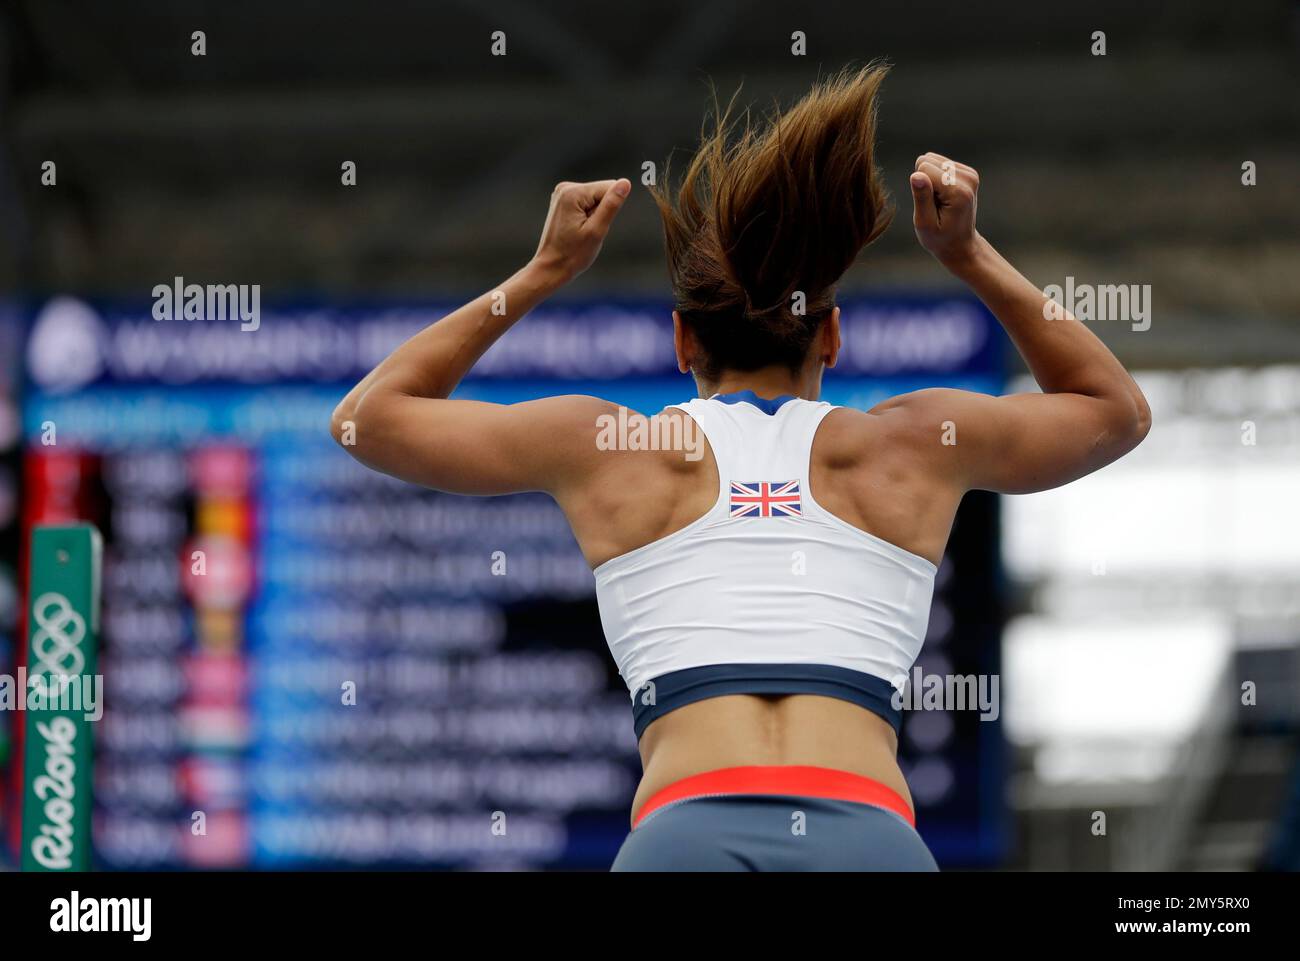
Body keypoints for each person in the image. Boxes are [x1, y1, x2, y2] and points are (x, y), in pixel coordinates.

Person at [331, 64, 1151, 871]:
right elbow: (1116, 412)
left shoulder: (612, 449)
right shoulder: (909, 444)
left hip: (683, 834)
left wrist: (544, 270)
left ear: (683, 340)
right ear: (830, 337)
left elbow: (367, 420)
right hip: (868, 836)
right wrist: (968, 253)